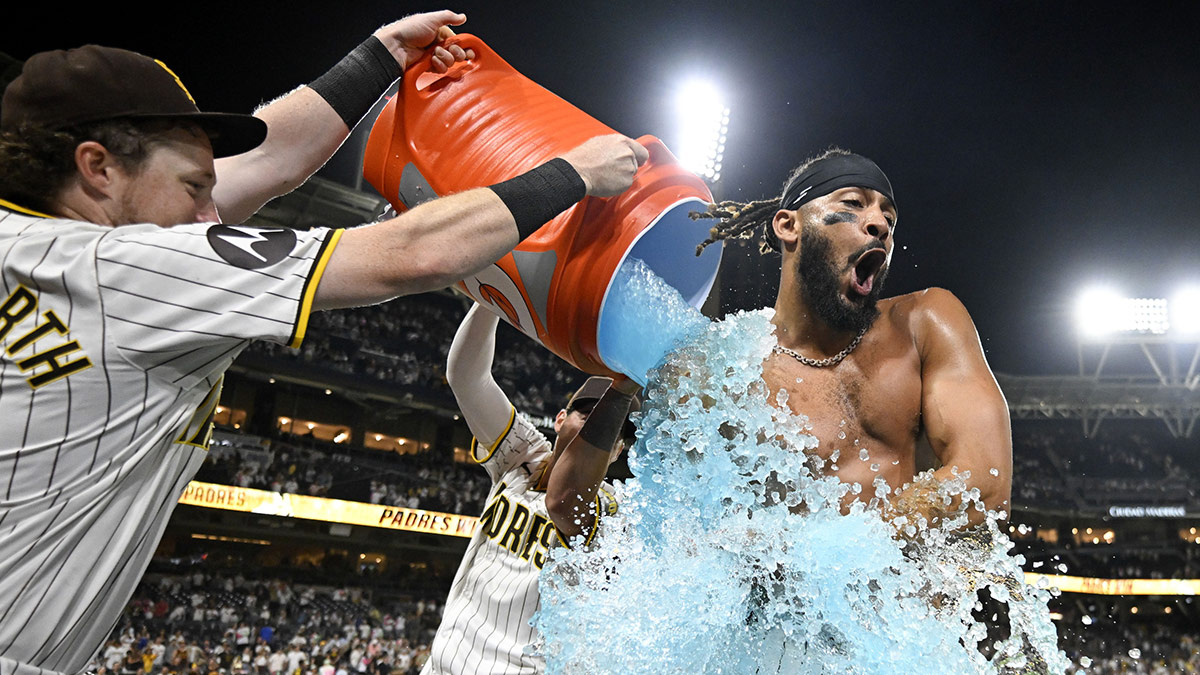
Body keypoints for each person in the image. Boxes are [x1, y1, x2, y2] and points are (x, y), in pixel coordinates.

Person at [0, 10, 648, 674]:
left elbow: (270, 158)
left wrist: (382, 54)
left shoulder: (33, 243)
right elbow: (413, 251)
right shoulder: (128, 266)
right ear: (97, 169)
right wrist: (574, 172)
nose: (209, 212)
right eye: (195, 187)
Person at [692, 147, 1011, 527]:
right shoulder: (728, 367)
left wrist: (850, 554)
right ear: (788, 225)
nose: (880, 223)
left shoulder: (922, 323)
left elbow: (985, 481)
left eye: (888, 217)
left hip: (900, 583)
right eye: (854, 203)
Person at [421, 304, 639, 674]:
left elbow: (566, 500)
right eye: (587, 417)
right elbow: (466, 377)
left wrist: (625, 389)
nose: (594, 433)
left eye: (610, 433)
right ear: (559, 419)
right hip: (444, 661)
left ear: (617, 450)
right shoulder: (522, 453)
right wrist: (490, 294)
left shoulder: (615, 511)